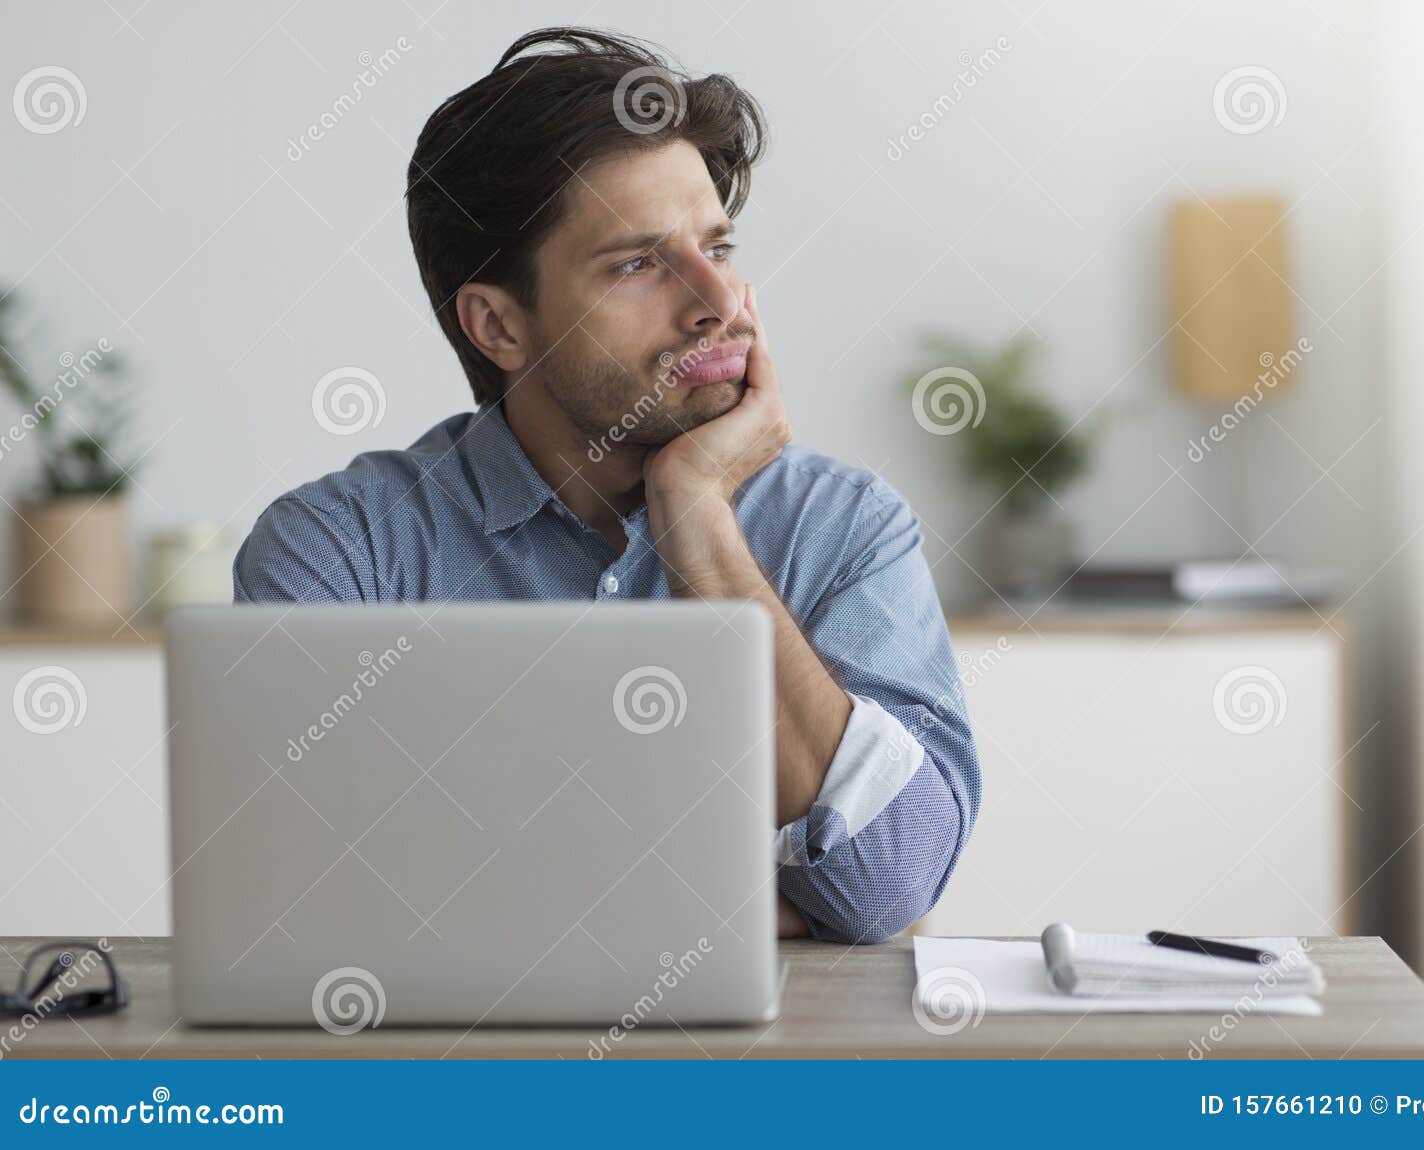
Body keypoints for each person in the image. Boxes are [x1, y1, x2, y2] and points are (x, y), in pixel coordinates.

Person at [235, 27, 981, 944]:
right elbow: (303, 903)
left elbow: (889, 885)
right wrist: (736, 899)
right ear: (499, 326)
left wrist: (700, 526)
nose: (718, 299)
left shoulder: (846, 529)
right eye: (637, 262)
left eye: (719, 245)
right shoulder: (341, 551)